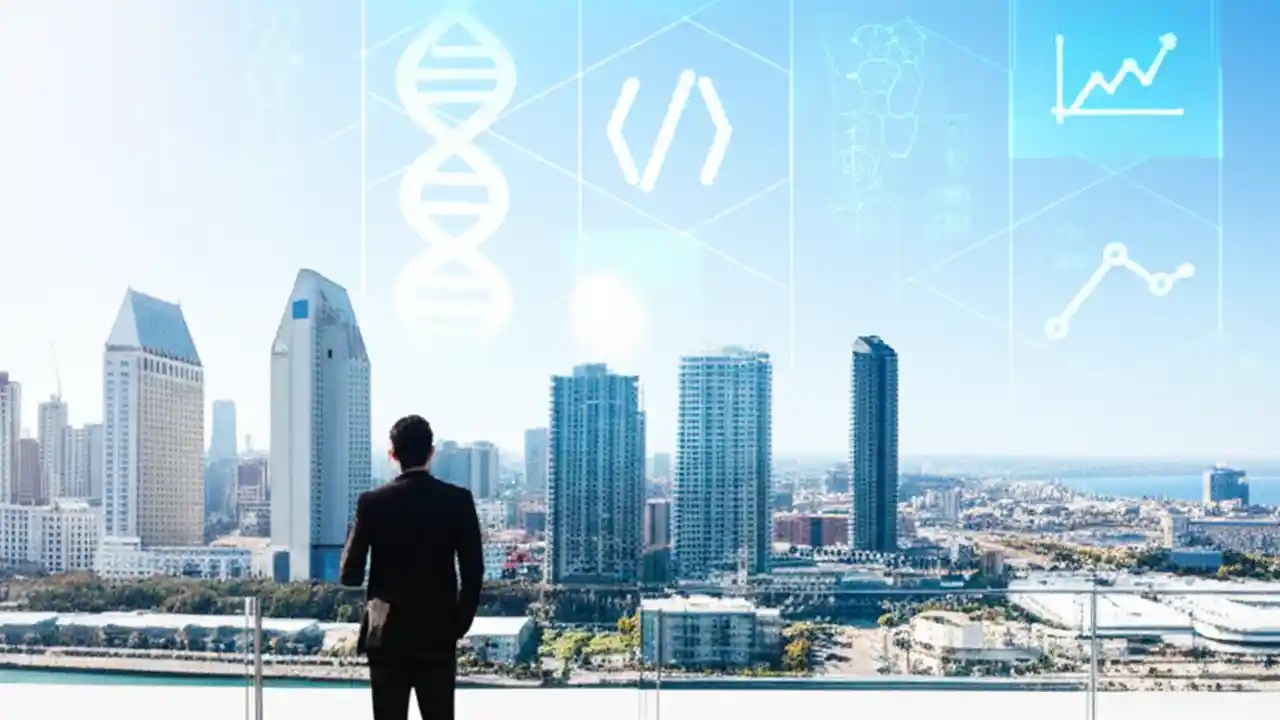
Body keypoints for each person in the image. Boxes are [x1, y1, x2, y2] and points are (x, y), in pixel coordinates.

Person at [340, 415, 484, 720]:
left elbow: (349, 575)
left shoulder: (372, 503)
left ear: (392, 454)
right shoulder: (458, 501)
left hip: (387, 635)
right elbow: (473, 573)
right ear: (431, 452)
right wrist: (458, 624)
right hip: (438, 634)